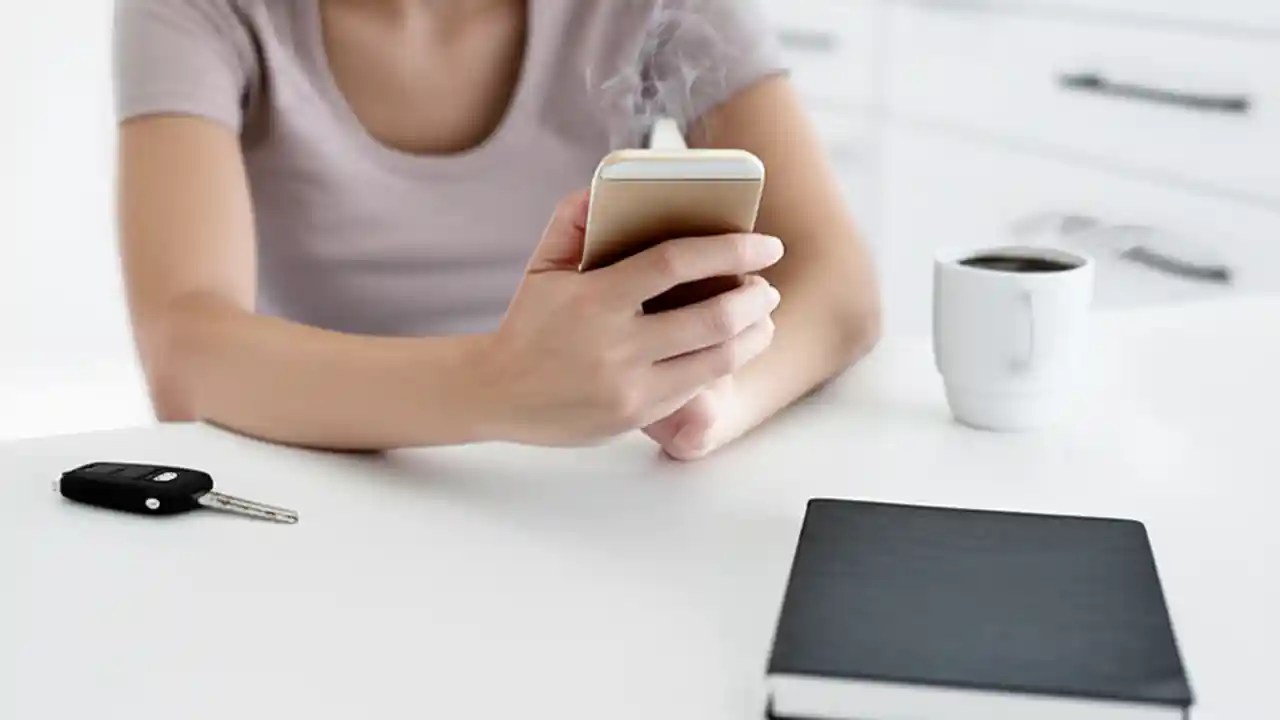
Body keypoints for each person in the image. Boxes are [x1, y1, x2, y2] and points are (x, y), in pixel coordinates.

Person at [114, 0, 880, 460]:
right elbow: (187, 351)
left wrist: (714, 400)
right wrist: (500, 386)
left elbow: (837, 281)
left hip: (576, 478)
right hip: (312, 463)